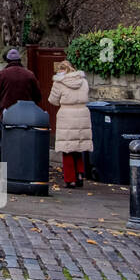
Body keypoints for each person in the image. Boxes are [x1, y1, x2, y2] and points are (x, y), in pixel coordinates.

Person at [47, 59, 93, 188]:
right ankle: (80, 174)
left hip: (67, 114)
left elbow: (53, 100)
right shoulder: (83, 81)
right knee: (78, 147)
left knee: (67, 149)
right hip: (83, 113)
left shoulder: (59, 82)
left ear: (61, 70)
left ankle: (70, 179)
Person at [0, 49, 41, 161]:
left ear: (8, 61)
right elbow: (37, 95)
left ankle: (4, 157)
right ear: (19, 60)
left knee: (5, 136)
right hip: (26, 114)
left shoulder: (2, 74)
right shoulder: (29, 75)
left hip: (7, 114)